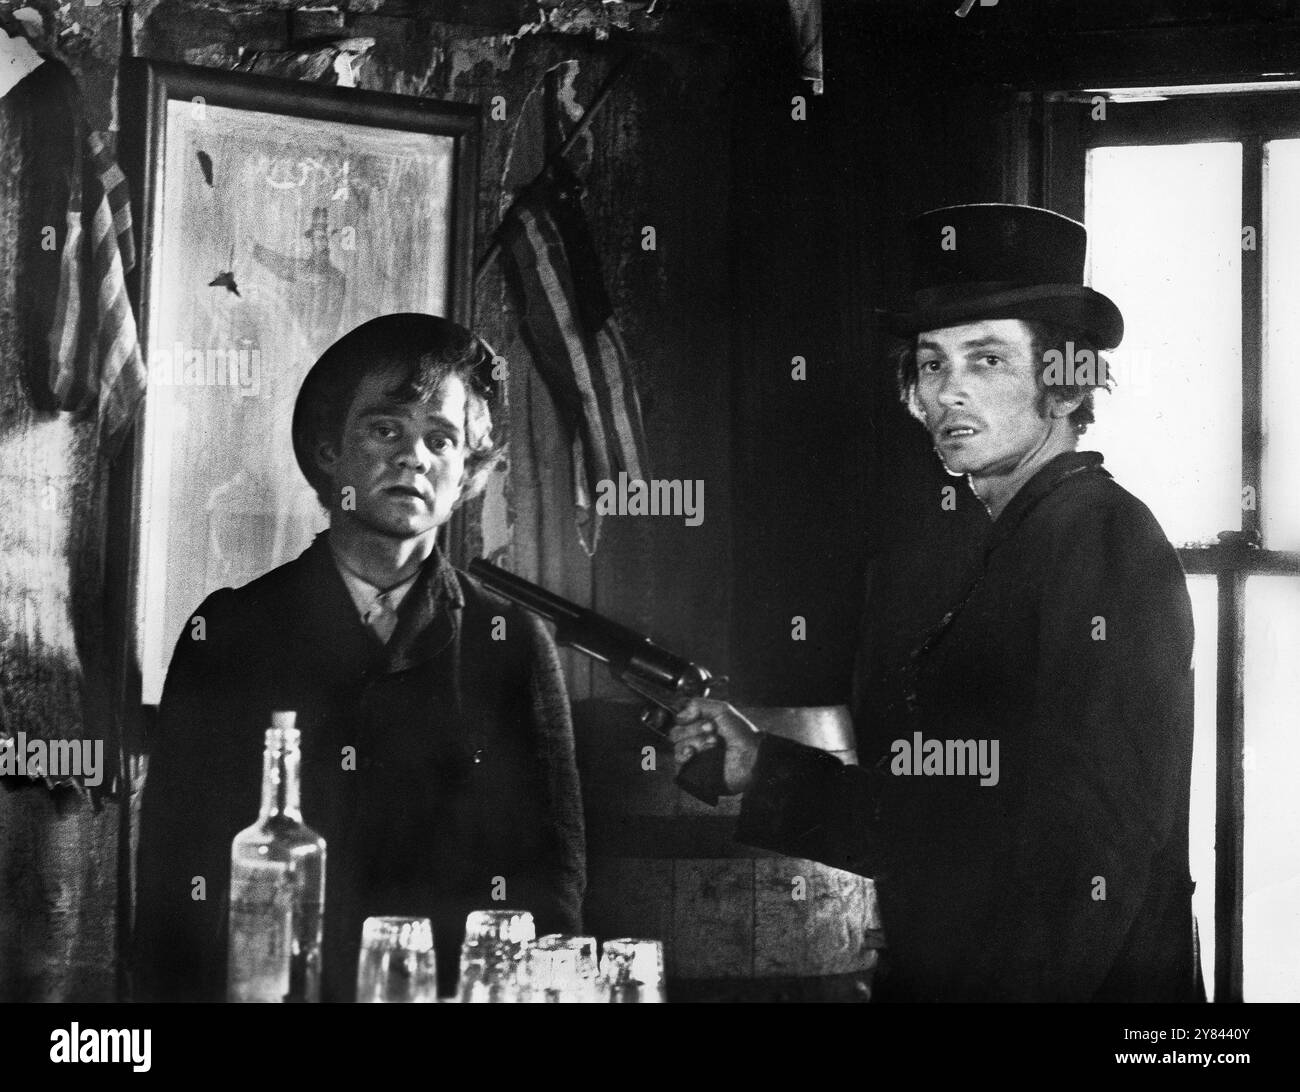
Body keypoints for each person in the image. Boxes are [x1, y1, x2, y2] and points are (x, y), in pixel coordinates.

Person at [671, 204, 1202, 1002]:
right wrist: (762, 768)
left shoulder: (1100, 541)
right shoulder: (1013, 538)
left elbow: (1091, 851)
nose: (950, 392)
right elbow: (947, 821)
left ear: (1063, 385)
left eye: (986, 360)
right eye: (931, 365)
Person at [135, 313, 586, 1001]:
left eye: (443, 439)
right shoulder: (230, 632)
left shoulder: (513, 641)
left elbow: (551, 881)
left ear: (467, 471)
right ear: (327, 452)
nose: (414, 458)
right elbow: (175, 873)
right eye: (385, 430)